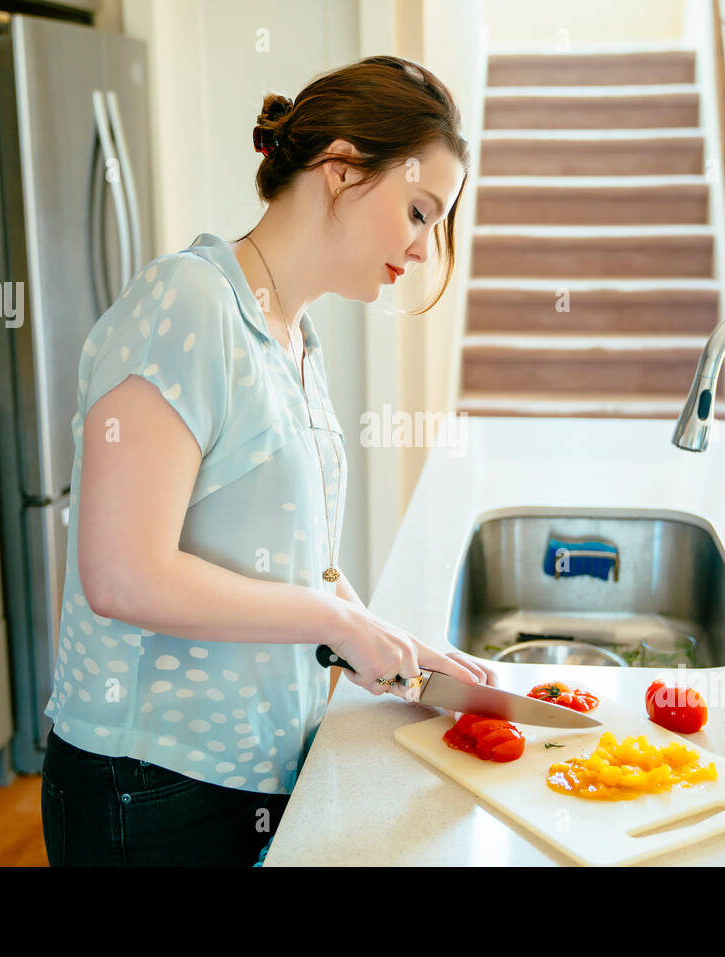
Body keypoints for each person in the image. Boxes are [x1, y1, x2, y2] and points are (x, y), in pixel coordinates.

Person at [40, 54, 491, 866]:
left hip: (249, 772)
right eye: (420, 211)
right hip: (145, 781)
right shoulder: (185, 302)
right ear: (344, 170)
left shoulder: (295, 338)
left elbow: (297, 567)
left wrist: (393, 642)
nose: (425, 249)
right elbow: (121, 573)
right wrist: (337, 623)